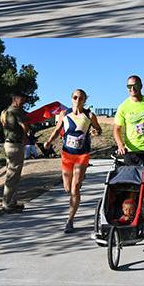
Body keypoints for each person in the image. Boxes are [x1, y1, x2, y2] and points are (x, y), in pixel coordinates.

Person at [44, 89, 103, 233]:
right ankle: (79, 179)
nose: (78, 100)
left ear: (85, 100)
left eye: (81, 98)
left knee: (75, 188)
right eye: (75, 97)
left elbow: (99, 129)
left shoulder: (89, 115)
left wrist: (95, 132)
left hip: (82, 155)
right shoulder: (64, 114)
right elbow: (57, 130)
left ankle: (70, 220)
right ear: (71, 98)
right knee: (67, 188)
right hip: (67, 155)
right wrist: (49, 141)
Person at [0, 92, 30, 213]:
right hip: (15, 144)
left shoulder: (5, 111)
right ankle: (7, 204)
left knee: (12, 174)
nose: (23, 103)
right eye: (21, 100)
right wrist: (25, 137)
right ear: (14, 99)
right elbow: (25, 126)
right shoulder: (16, 111)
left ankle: (12, 202)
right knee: (13, 175)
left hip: (8, 143)